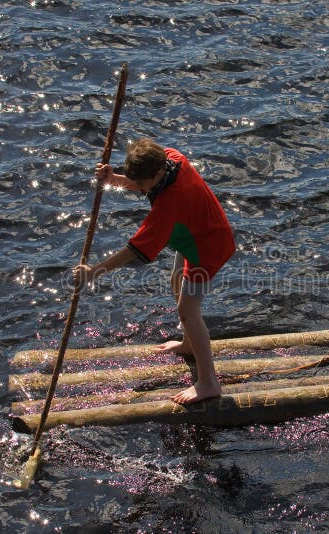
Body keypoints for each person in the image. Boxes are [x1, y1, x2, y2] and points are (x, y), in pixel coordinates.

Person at [73, 138, 235, 405]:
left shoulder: (169, 204)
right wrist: (113, 179)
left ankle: (208, 382)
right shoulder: (172, 157)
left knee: (188, 310)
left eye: (144, 185)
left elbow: (134, 249)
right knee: (175, 282)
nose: (141, 190)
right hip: (193, 232)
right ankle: (189, 344)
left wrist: (94, 272)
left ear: (157, 174)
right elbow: (141, 181)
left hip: (206, 248)